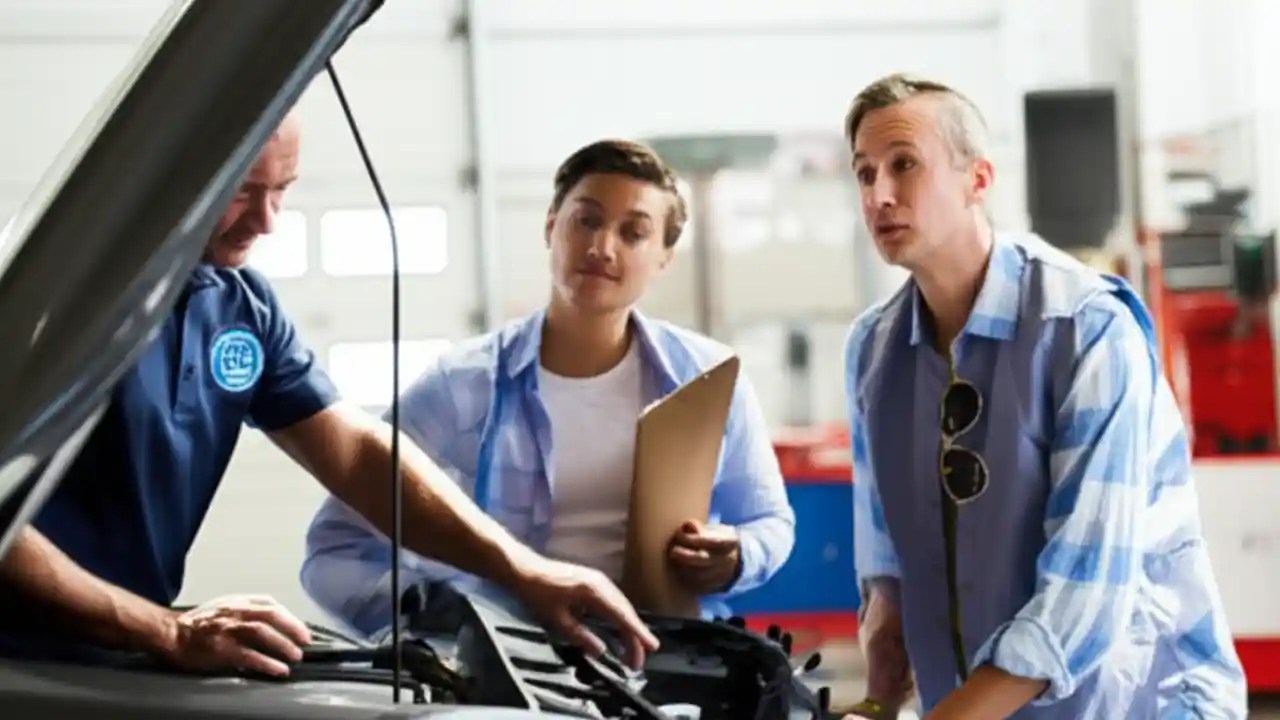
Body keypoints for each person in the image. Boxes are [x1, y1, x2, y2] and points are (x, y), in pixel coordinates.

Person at [0, 112, 659, 679]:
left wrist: (524, 570)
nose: (266, 221)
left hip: (119, 658)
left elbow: (356, 457)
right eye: (242, 191)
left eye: (281, 190)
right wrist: (167, 632)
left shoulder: (243, 307)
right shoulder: (40, 300)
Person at [837, 74, 1246, 719]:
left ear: (978, 179)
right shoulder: (872, 351)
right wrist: (877, 700)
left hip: (1140, 702)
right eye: (864, 174)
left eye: (904, 165)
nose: (879, 194)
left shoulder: (1085, 329)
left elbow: (1084, 598)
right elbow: (887, 568)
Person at [300, 139, 796, 639]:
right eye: (588, 220)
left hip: (670, 663)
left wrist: (736, 556)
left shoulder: (707, 379)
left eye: (634, 233)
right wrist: (447, 624)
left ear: (664, 255)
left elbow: (768, 520)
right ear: (550, 223)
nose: (603, 247)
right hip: (511, 678)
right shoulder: (461, 387)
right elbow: (336, 548)